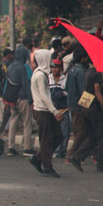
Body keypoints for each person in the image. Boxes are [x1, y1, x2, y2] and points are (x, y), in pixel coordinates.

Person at [69, 55, 103, 173]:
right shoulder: (97, 74)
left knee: (93, 135)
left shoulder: (87, 72)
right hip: (94, 106)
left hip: (85, 105)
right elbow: (97, 92)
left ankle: (77, 156)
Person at [30, 49, 66, 177]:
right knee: (46, 139)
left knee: (57, 136)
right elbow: (44, 96)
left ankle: (38, 158)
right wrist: (55, 112)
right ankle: (47, 166)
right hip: (43, 111)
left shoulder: (42, 74)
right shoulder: (40, 75)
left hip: (46, 110)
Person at [4, 45, 34, 156]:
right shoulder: (22, 67)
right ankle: (27, 148)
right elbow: (25, 84)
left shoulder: (10, 66)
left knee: (13, 121)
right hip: (22, 97)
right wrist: (30, 99)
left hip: (12, 98)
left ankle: (11, 147)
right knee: (27, 123)